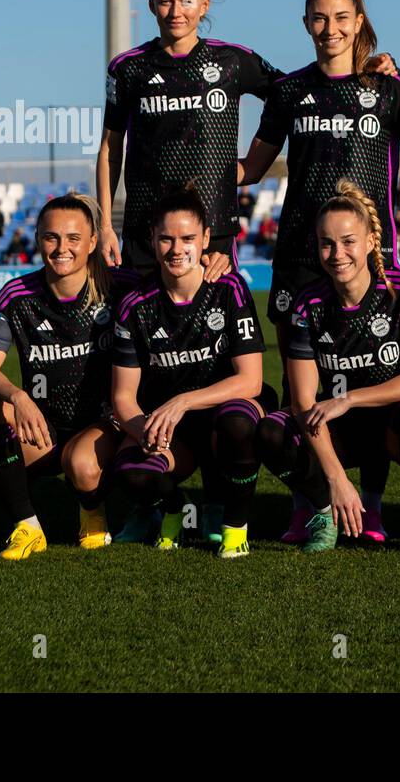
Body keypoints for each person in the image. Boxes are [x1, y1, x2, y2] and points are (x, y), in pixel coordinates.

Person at [238, 0, 400, 544]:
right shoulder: (288, 92)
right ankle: (313, 503)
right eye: (319, 19)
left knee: (376, 374)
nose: (330, 29)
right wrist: (192, 181)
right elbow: (250, 170)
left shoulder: (388, 91)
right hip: (300, 259)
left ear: (359, 23)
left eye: (342, 18)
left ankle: (371, 507)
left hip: (366, 260)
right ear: (306, 24)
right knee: (304, 383)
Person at [256, 181, 400, 553]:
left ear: (371, 241)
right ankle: (324, 513)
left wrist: (350, 399)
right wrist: (336, 479)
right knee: (270, 432)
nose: (337, 253)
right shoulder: (307, 303)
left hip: (391, 425)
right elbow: (303, 401)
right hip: (339, 431)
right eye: (327, 243)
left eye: (348, 241)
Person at [98, 0, 282, 282]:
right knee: (141, 331)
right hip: (145, 229)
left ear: (204, 5)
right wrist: (106, 225)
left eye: (186, 0)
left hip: (212, 229)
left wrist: (254, 166)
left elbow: (293, 95)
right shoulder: (128, 68)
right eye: (165, 1)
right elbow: (110, 147)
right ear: (151, 5)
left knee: (209, 331)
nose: (175, 11)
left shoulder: (232, 61)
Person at [0, 194, 139, 559]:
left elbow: (176, 282)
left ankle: (93, 512)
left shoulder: (120, 285)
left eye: (73, 238)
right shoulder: (16, 296)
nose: (62, 248)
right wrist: (17, 396)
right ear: (37, 239)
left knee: (80, 464)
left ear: (93, 242)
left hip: (102, 424)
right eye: (51, 237)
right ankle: (27, 526)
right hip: (42, 427)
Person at [111, 189, 273, 556]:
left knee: (239, 423)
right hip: (172, 431)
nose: (176, 248)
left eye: (187, 238)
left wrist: (183, 401)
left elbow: (250, 380)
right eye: (166, 238)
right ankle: (174, 510)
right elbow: (122, 397)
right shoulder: (135, 305)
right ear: (152, 238)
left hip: (221, 416)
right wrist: (146, 433)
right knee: (134, 472)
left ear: (204, 239)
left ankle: (233, 525)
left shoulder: (229, 288)